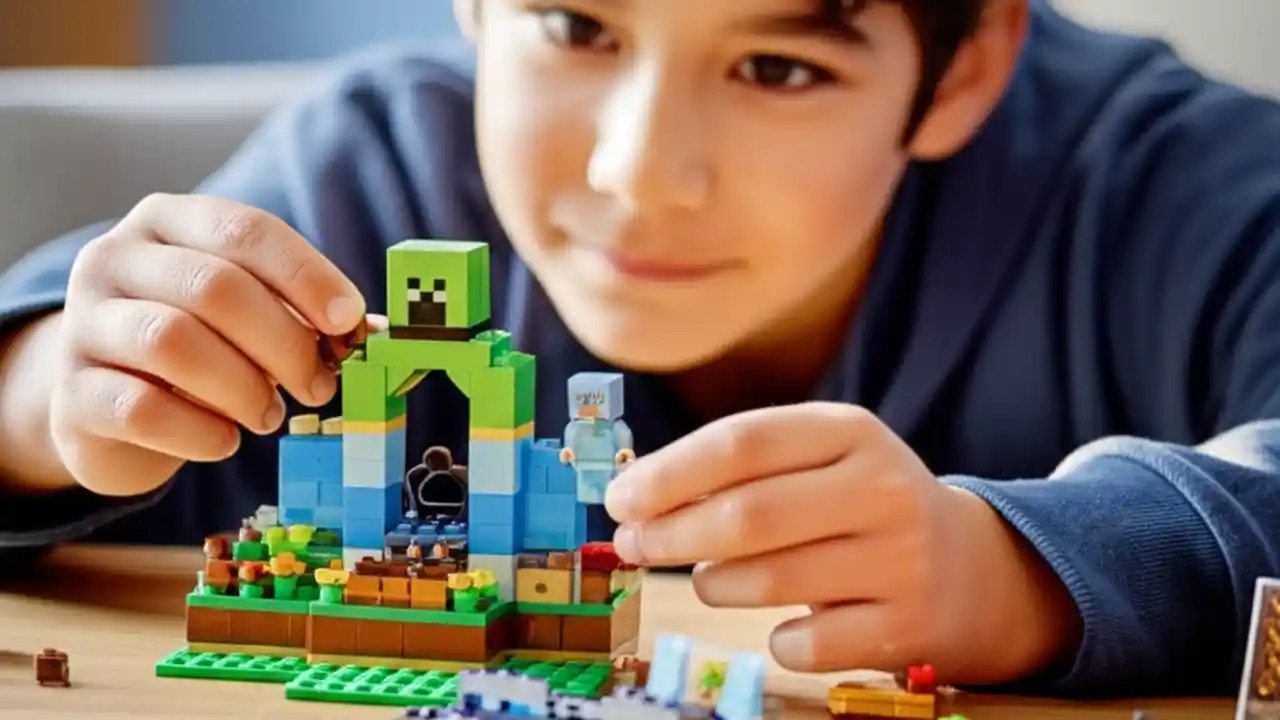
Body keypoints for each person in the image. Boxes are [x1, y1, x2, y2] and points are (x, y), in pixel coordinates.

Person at [0, 0, 1275, 698]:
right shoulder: (367, 171)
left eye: (776, 66)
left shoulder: (1189, 195)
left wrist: (1028, 570)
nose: (638, 173)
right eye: (572, 25)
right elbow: (65, 377)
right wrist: (42, 400)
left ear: (961, 66)